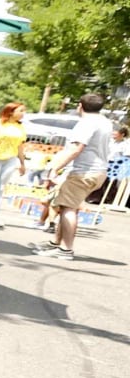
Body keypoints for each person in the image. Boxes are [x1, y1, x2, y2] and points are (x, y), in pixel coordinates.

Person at [32, 93, 114, 261]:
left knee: (69, 209)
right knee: (65, 205)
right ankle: (56, 243)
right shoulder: (105, 122)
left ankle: (66, 249)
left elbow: (76, 149)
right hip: (98, 171)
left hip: (84, 172)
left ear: (80, 106)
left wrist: (55, 168)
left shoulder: (86, 123)